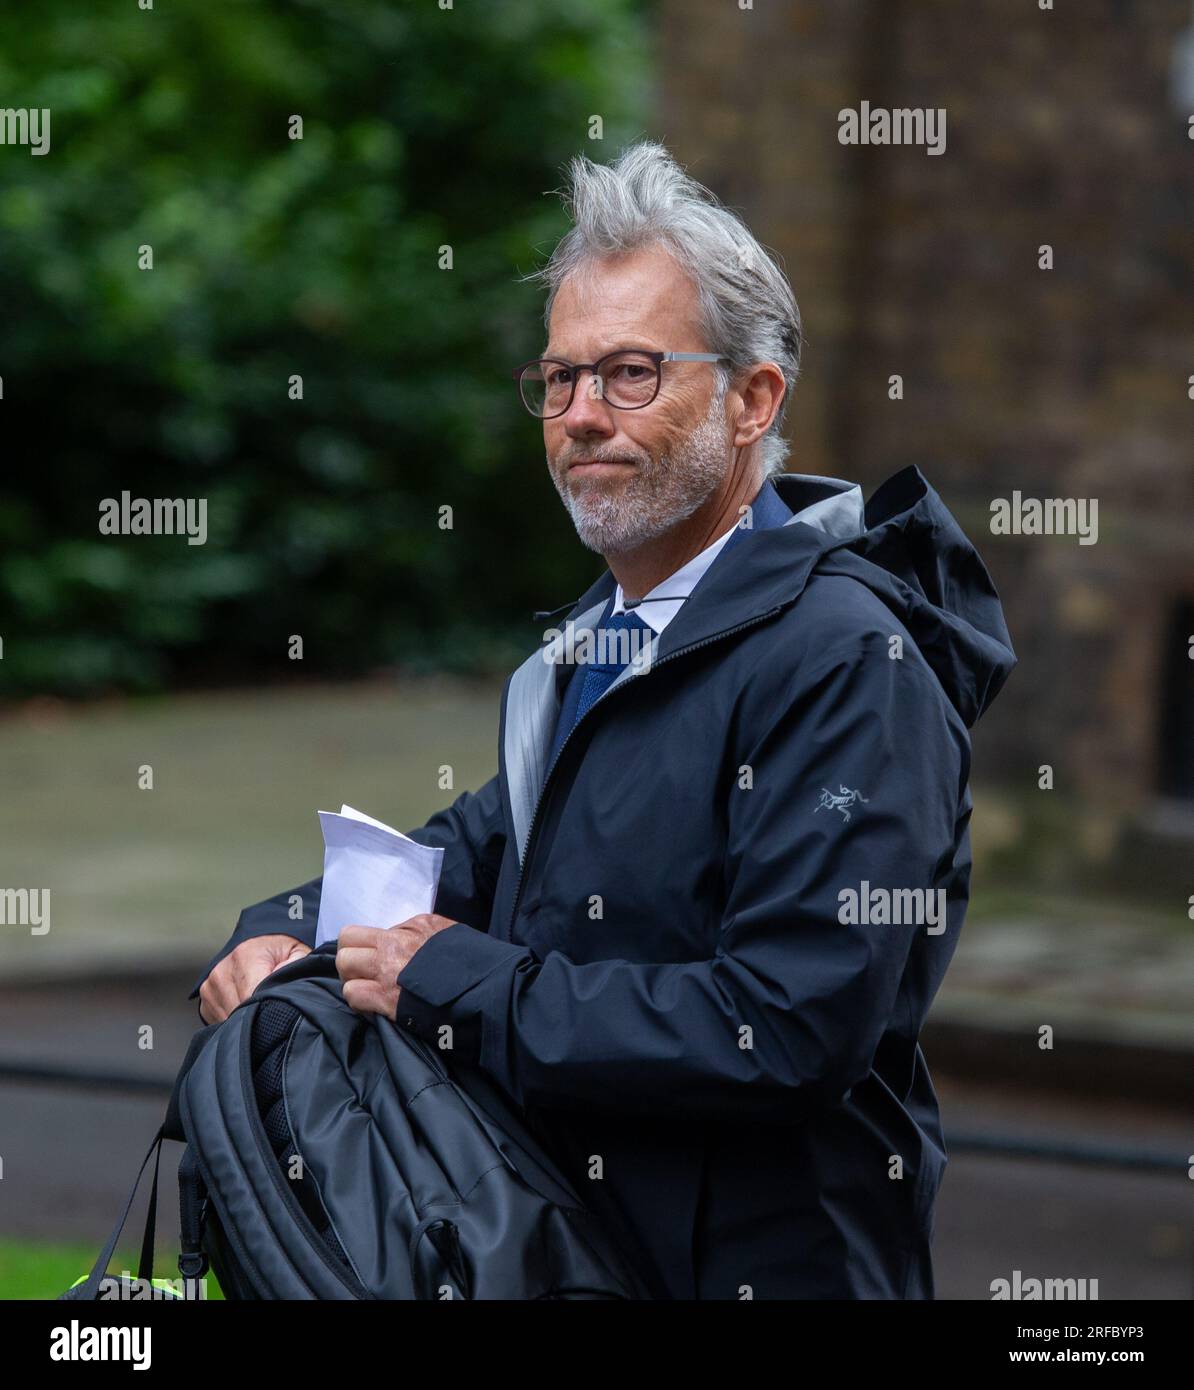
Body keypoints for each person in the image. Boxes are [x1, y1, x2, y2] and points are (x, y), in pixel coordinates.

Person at [191, 140, 1015, 1299]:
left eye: (632, 372)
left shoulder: (849, 657)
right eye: (560, 379)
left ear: (753, 397)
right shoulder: (602, 638)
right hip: (569, 1252)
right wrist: (281, 930)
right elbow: (469, 856)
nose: (581, 414)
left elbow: (784, 1026)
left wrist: (462, 986)